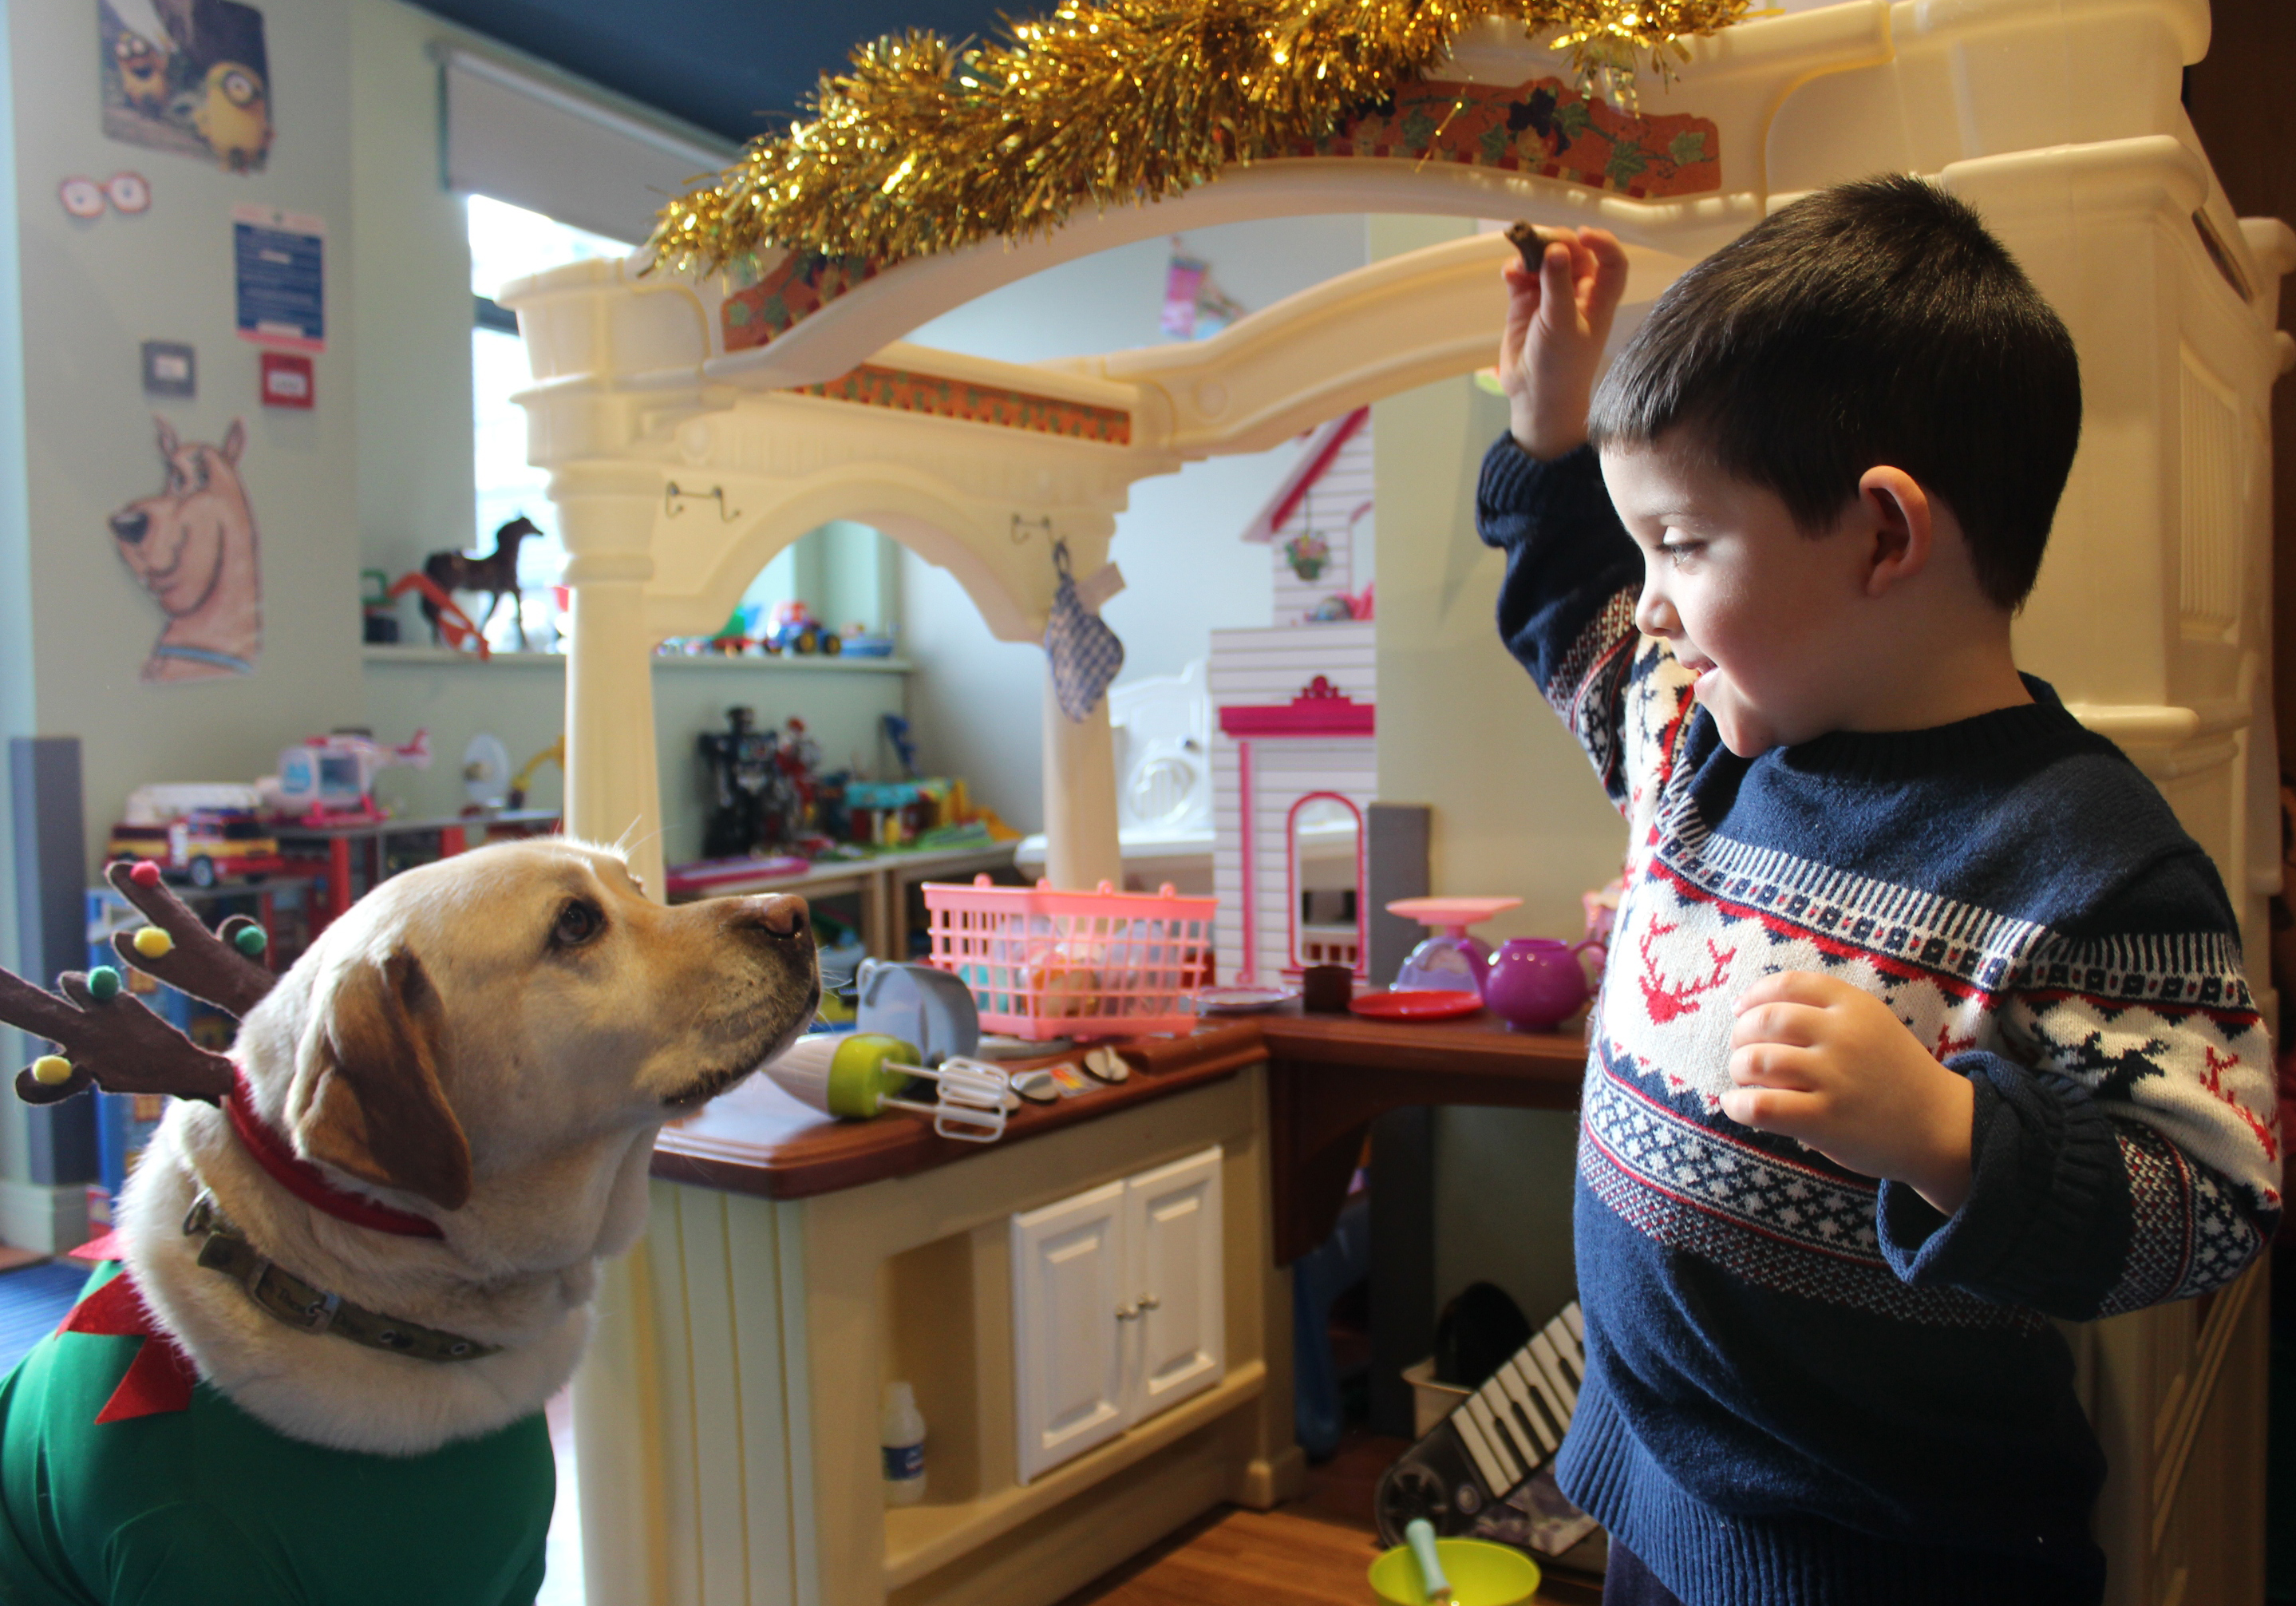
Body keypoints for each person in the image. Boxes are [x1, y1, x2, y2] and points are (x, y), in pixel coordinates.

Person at [1480, 176, 2279, 1606]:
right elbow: (1571, 618)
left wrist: (1953, 1137)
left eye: (1682, 545)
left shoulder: (2085, 861)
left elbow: (2215, 1202)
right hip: (1651, 1499)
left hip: (1895, 1559)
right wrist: (1545, 439)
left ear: (1883, 536)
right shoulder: (1694, 741)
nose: (1649, 602)